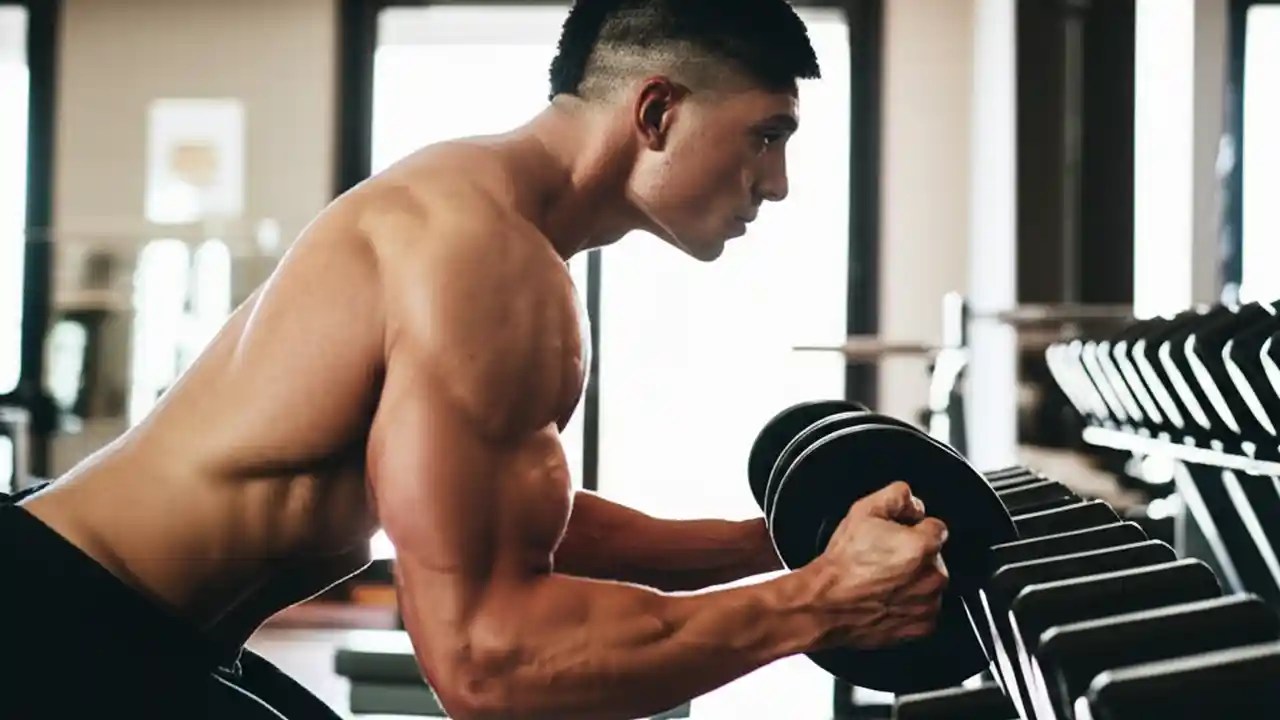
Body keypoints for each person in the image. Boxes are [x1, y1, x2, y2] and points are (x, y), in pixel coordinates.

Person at [0, 0, 950, 717]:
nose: (777, 186)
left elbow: (507, 511)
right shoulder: (482, 256)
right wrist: (814, 602)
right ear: (656, 110)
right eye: (767, 136)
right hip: (49, 626)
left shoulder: (482, 223)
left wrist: (769, 545)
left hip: (119, 621)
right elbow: (488, 666)